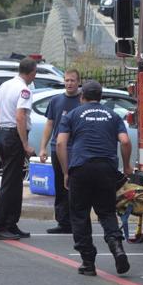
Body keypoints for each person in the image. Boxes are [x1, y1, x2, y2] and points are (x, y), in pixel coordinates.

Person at [56, 80, 132, 276]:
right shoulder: (113, 115)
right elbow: (125, 141)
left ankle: (88, 262)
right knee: (106, 212)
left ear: (82, 97)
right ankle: (117, 247)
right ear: (101, 98)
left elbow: (60, 144)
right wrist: (127, 166)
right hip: (106, 168)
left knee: (80, 214)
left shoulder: (73, 114)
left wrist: (66, 172)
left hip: (80, 168)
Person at [0, 58, 37, 241]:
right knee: (9, 183)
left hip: (3, 133)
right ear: (32, 72)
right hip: (13, 136)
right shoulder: (24, 90)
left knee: (15, 182)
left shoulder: (5, 86)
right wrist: (25, 143)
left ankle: (10, 223)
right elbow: (20, 117)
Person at [38, 69, 82, 234]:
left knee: (76, 186)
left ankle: (77, 221)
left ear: (78, 82)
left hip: (77, 150)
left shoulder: (83, 100)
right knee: (60, 186)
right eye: (67, 80)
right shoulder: (56, 101)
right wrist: (43, 147)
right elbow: (49, 124)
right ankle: (63, 222)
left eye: (72, 80)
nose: (69, 83)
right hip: (58, 149)